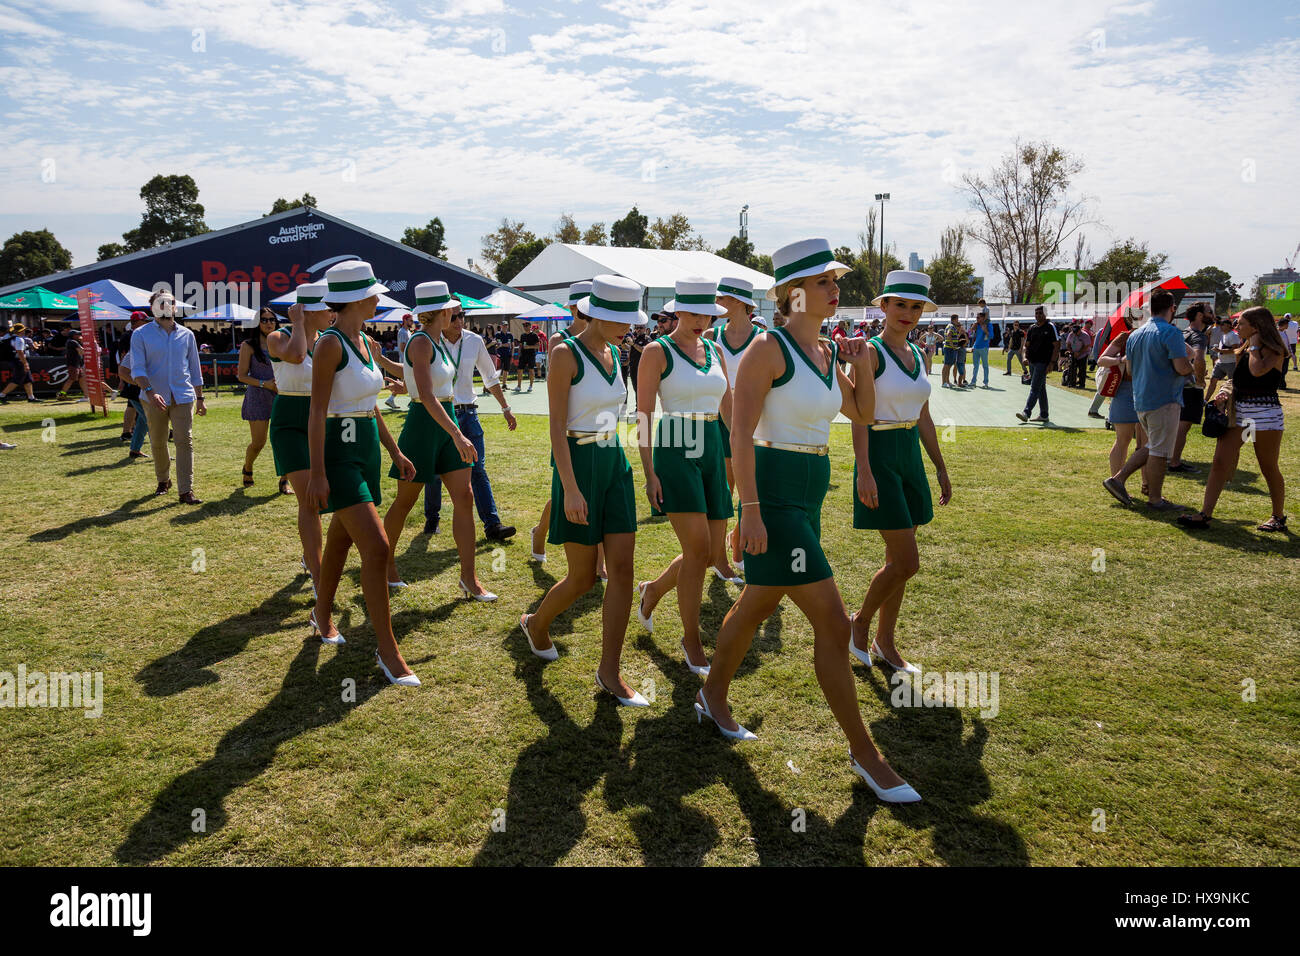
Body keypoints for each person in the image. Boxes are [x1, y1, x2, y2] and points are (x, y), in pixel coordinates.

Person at [697, 238, 919, 803]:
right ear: (794, 293)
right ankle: (866, 754)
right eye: (823, 281)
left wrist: (861, 363)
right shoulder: (767, 350)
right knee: (832, 620)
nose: (834, 288)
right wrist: (748, 510)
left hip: (811, 490)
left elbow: (863, 412)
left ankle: (712, 696)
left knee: (758, 602)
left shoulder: (824, 352)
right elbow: (738, 432)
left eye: (834, 280)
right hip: (772, 494)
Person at [519, 274, 647, 706]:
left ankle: (609, 671)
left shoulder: (614, 351)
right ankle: (536, 622)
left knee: (623, 571)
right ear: (599, 314)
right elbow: (556, 428)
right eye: (622, 320)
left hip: (615, 462)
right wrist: (570, 489)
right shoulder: (563, 354)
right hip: (579, 465)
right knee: (583, 578)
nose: (629, 328)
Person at [306, 260, 419, 685]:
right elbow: (317, 410)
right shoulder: (329, 344)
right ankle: (387, 651)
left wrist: (395, 451)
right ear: (354, 299)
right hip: (337, 452)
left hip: (366, 448)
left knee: (339, 542)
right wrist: (317, 472)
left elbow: (369, 405)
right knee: (376, 548)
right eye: (373, 294)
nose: (378, 299)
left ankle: (321, 614)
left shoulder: (366, 341)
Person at [850, 270, 952, 687]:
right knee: (907, 560)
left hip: (909, 454)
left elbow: (924, 416)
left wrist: (939, 466)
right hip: (879, 454)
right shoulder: (868, 353)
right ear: (884, 307)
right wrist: (865, 470)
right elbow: (859, 415)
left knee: (899, 564)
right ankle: (859, 623)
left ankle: (885, 642)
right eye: (900, 305)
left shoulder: (919, 354)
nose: (908, 313)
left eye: (915, 307)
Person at [634, 278, 734, 676]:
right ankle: (691, 640)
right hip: (676, 444)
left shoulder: (714, 349)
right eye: (692, 312)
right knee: (697, 551)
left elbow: (728, 406)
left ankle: (653, 590)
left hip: (712, 443)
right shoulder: (657, 351)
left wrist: (745, 448)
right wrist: (649, 471)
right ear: (677, 311)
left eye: (706, 313)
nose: (700, 320)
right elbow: (643, 416)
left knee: (709, 553)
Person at [381, 282, 495, 600]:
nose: (456, 316)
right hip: (423, 425)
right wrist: (457, 434)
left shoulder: (437, 341)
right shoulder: (420, 342)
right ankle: (385, 566)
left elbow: (428, 385)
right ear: (441, 311)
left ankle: (469, 579)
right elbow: (427, 395)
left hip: (445, 420)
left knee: (465, 496)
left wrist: (453, 430)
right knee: (405, 502)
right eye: (453, 311)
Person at [1177, 305, 1289, 531]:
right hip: (1240, 414)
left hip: (1265, 416)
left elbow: (1257, 371)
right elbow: (1236, 379)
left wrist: (1254, 344)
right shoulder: (1246, 348)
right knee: (1220, 462)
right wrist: (1225, 392)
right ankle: (1204, 515)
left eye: (1242, 324)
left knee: (1268, 467)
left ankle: (1278, 517)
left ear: (1256, 327)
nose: (1237, 326)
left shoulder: (1274, 349)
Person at [528, 280, 605, 580]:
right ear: (572, 308)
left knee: (596, 493)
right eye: (580, 307)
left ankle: (598, 561)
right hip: (570, 430)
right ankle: (541, 531)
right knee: (563, 492)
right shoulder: (561, 340)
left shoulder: (603, 340)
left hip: (598, 431)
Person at [422, 304, 518, 542]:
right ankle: (432, 519)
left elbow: (490, 377)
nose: (458, 321)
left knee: (478, 469)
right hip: (442, 414)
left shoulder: (474, 341)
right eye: (453, 316)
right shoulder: (429, 341)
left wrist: (506, 408)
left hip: (469, 413)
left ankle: (493, 525)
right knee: (435, 471)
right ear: (443, 317)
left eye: (461, 316)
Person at [267, 283, 332, 629]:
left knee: (321, 501)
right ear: (306, 311)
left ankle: (313, 558)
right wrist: (296, 325)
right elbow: (294, 356)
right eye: (326, 310)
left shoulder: (326, 342)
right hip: (290, 420)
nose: (332, 314)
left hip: (320, 418)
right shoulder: (278, 337)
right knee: (309, 500)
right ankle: (319, 574)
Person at [1102, 289, 1191, 510]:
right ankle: (1151, 496)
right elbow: (1181, 367)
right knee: (1159, 451)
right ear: (1172, 309)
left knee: (1152, 447)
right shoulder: (1170, 333)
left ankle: (1124, 481)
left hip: (1141, 398)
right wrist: (1193, 371)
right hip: (1164, 398)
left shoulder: (1135, 335)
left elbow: (1130, 370)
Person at [702, 276, 761, 584]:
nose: (718, 304)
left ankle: (737, 546)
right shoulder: (712, 334)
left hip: (755, 420)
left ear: (739, 302)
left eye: (722, 298)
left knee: (752, 487)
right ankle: (720, 558)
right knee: (726, 490)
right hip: (722, 417)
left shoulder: (764, 337)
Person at [127, 291, 206, 503]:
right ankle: (163, 479)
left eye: (169, 303)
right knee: (158, 442)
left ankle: (186, 490)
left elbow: (195, 369)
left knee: (184, 441)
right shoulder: (141, 334)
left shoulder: (187, 335)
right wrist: (151, 392)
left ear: (175, 307)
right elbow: (137, 370)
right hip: (153, 397)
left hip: (183, 395)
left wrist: (200, 398)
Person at [1095, 312, 1147, 485]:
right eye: (1140, 316)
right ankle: (1117, 483)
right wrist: (1121, 360)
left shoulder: (1154, 336)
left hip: (1147, 390)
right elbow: (1102, 360)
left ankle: (1146, 484)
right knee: (1123, 439)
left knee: (1145, 443)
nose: (1143, 319)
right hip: (1126, 390)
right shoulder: (1124, 337)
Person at [235, 307, 280, 488]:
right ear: (257, 323)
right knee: (258, 442)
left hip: (282, 395)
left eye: (271, 319)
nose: (269, 322)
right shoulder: (249, 345)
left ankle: (285, 480)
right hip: (258, 395)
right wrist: (265, 384)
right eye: (264, 319)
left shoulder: (283, 341)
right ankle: (248, 468)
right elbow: (242, 376)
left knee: (282, 442)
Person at [1167, 303, 1210, 474]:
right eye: (1209, 312)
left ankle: (1169, 458)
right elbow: (1198, 358)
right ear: (1200, 315)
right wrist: (1200, 380)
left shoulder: (1182, 333)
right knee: (1183, 426)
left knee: (1175, 425)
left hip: (1176, 384)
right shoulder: (1198, 336)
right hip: (1190, 386)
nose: (1212, 315)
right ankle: (1174, 462)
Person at [1015, 306, 1059, 424]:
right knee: (1040, 388)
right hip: (1032, 362)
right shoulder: (1032, 328)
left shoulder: (1050, 327)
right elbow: (1026, 345)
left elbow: (1056, 346)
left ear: (1045, 314)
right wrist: (1024, 357)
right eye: (1036, 313)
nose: (1038, 315)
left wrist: (1052, 363)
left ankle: (1026, 412)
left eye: (1040, 313)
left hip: (1043, 362)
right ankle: (1044, 415)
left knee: (1034, 387)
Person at [116, 312, 151, 459]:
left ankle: (135, 449)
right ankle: (160, 451)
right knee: (150, 420)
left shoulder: (138, 337)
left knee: (144, 420)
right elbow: (122, 369)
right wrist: (137, 383)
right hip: (136, 390)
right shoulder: (134, 337)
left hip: (137, 388)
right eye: (145, 321)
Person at [0, 324, 39, 403]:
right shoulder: (19, 339)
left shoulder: (8, 338)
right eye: (23, 330)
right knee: (17, 380)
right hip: (19, 361)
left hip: (14, 361)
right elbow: (20, 352)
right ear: (21, 331)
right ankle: (1, 395)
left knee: (28, 379)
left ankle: (31, 397)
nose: (24, 331)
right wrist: (25, 364)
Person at [1206, 317, 1241, 402]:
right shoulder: (1224, 335)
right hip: (1221, 363)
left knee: (1232, 384)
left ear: (1229, 326)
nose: (1220, 326)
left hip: (1231, 363)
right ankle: (1205, 400)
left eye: (1222, 325)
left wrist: (1219, 350)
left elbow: (1235, 350)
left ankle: (1233, 402)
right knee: (1213, 380)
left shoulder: (1233, 335)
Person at [387, 313, 417, 409]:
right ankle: (411, 400)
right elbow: (403, 347)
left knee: (407, 385)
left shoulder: (406, 331)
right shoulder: (403, 332)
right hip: (406, 362)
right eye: (410, 320)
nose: (412, 322)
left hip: (407, 361)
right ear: (405, 320)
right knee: (410, 384)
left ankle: (391, 399)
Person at [57, 330, 85, 401]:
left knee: (81, 379)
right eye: (77, 334)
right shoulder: (72, 342)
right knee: (71, 379)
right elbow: (82, 351)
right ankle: (62, 394)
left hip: (76, 364)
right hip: (73, 364)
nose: (79, 336)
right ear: (73, 335)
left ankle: (86, 395)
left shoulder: (72, 341)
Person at [968, 309, 992, 387]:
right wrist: (972, 327)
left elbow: (991, 336)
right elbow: (969, 333)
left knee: (985, 365)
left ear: (983, 318)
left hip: (984, 347)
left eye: (978, 318)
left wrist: (985, 331)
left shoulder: (989, 325)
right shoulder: (977, 325)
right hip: (976, 347)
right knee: (975, 366)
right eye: (976, 317)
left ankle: (986, 382)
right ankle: (973, 381)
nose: (976, 319)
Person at [941, 314, 966, 387]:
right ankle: (944, 382)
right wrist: (953, 346)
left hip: (950, 348)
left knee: (948, 365)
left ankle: (947, 381)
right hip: (949, 348)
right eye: (957, 319)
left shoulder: (951, 326)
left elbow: (952, 337)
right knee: (947, 365)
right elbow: (949, 335)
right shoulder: (951, 326)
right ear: (955, 319)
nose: (958, 321)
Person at [515, 322, 540, 392]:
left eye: (526, 326)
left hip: (531, 355)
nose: (525, 327)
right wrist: (518, 354)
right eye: (524, 326)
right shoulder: (522, 335)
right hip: (523, 355)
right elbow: (520, 345)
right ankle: (519, 386)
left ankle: (530, 386)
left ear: (530, 326)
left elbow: (538, 345)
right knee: (519, 370)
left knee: (531, 370)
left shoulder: (534, 335)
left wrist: (529, 347)